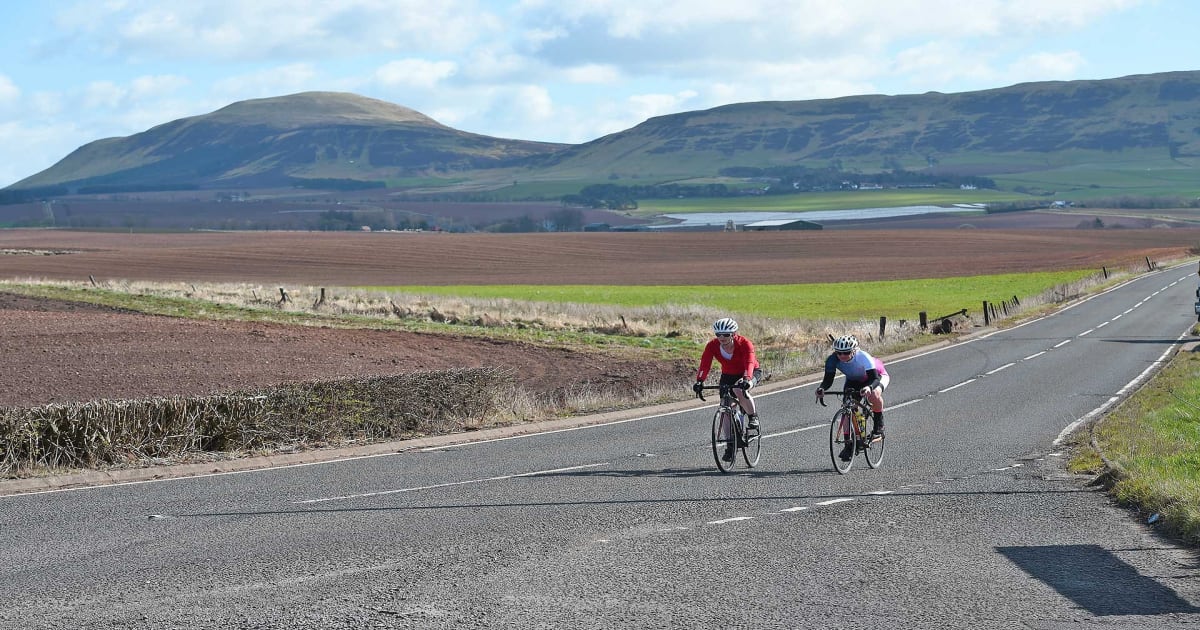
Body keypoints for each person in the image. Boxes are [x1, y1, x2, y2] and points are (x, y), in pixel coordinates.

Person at [693, 318, 763, 460]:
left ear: (734, 333)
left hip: (749, 371)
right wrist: (700, 381)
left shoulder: (744, 344)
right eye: (718, 334)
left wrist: (747, 379)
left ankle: (752, 418)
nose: (721, 338)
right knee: (725, 407)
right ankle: (730, 445)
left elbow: (749, 362)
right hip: (728, 375)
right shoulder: (712, 345)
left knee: (739, 390)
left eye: (726, 334)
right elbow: (705, 364)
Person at [815, 334, 887, 461]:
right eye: (839, 353)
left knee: (873, 395)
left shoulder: (863, 357)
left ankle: (879, 425)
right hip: (853, 380)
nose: (842, 356)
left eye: (846, 353)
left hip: (876, 377)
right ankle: (849, 444)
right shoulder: (832, 360)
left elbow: (874, 378)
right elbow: (828, 380)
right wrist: (822, 388)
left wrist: (869, 388)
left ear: (854, 351)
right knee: (847, 407)